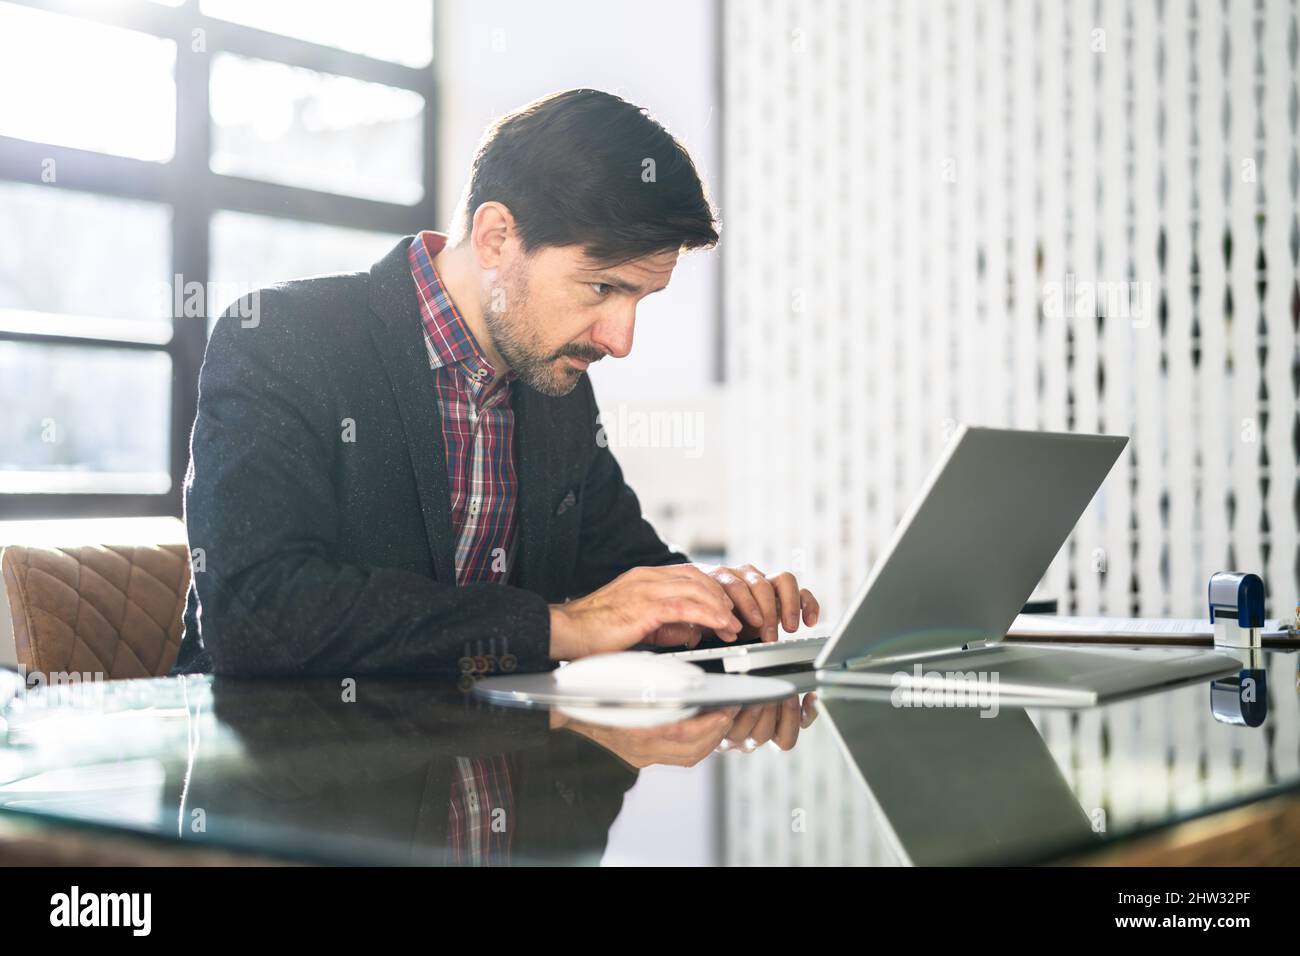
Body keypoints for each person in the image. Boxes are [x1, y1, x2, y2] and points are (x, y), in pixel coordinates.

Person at [172, 88, 818, 678]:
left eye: (640, 299)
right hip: (281, 785)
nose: (620, 340)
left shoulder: (553, 382)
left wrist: (715, 609)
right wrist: (560, 626)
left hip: (490, 779)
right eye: (602, 288)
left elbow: (624, 575)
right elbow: (255, 619)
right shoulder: (284, 341)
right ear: (495, 237)